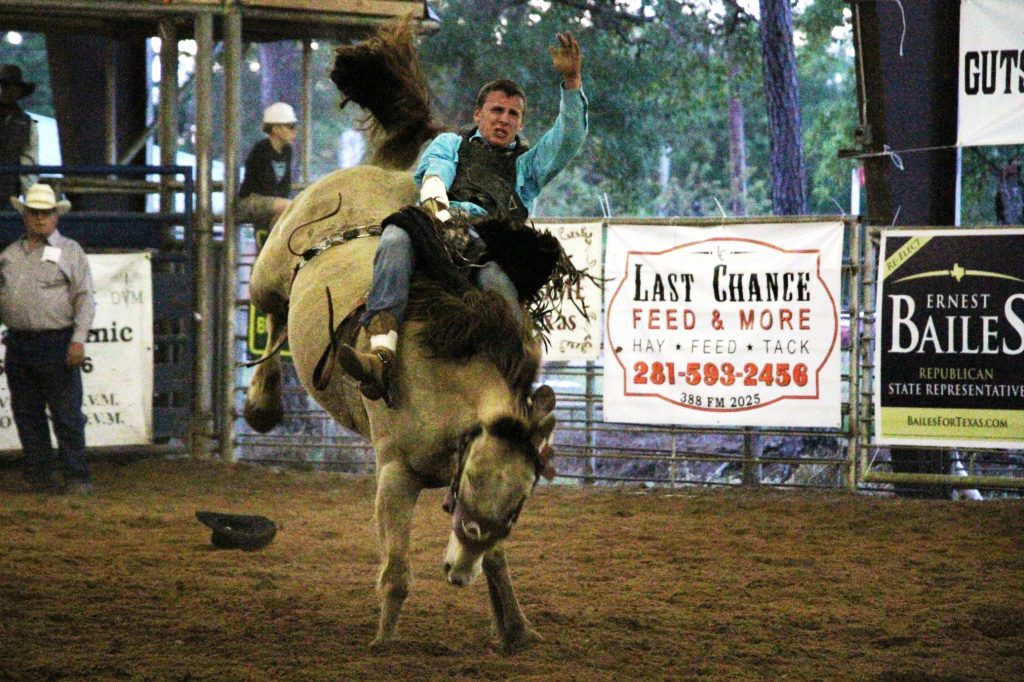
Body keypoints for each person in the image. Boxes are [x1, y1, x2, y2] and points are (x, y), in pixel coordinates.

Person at [339, 31, 588, 401]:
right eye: (497, 110)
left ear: (521, 123)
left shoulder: (529, 165)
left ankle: (519, 389)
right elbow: (435, 175)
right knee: (394, 237)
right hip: (433, 224)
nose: (504, 119)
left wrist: (571, 82)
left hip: (489, 245)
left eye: (513, 114)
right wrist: (441, 212)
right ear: (478, 114)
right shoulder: (451, 144)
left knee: (499, 288)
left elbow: (568, 139)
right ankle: (381, 354)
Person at [1, 183, 95, 494]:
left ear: (56, 216)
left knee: (66, 414)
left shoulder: (70, 251)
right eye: (35, 212)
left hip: (57, 341)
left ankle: (76, 475)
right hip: (19, 342)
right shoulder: (9, 255)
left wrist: (78, 339)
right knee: (26, 413)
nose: (40, 218)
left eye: (46, 212)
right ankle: (38, 472)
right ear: (25, 215)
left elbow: (84, 298)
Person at [236, 102, 298, 249]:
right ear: (275, 128)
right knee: (288, 206)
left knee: (287, 209)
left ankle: (271, 244)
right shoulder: (261, 150)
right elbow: (265, 185)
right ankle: (271, 242)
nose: (294, 131)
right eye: (290, 126)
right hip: (251, 199)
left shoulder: (287, 151)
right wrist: (280, 201)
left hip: (271, 201)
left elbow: (284, 184)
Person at [0, 64, 40, 204]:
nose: (8, 91)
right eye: (5, 86)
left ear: (19, 91)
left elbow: (29, 161)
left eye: (13, 87)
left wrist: (31, 198)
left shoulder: (27, 123)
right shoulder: (26, 123)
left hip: (9, 192)